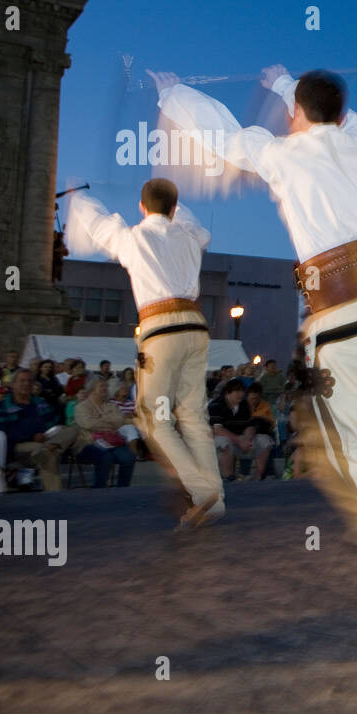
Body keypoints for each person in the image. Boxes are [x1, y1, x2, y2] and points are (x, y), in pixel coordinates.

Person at [154, 64, 357, 612]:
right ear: (341, 113)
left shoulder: (282, 154)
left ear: (296, 113)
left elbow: (222, 136)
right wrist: (286, 86)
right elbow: (342, 119)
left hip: (342, 315)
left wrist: (173, 91)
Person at [66, 180, 226, 528]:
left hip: (161, 330)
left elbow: (100, 225)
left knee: (153, 418)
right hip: (196, 329)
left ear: (142, 208)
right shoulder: (188, 235)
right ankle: (214, 498)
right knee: (194, 416)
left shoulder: (134, 239)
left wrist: (80, 200)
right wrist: (174, 204)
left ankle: (201, 492)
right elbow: (196, 227)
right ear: (174, 208)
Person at [0, 369, 86, 492]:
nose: (26, 384)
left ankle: (50, 447)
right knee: (50, 455)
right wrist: (32, 436)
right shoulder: (3, 406)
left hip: (46, 441)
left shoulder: (41, 402)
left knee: (74, 429)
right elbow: (1, 432)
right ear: (13, 384)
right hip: (19, 446)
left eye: (29, 381)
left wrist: (51, 433)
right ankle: (56, 497)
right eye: (22, 381)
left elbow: (54, 421)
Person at [73, 376, 138, 488]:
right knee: (105, 457)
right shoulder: (81, 407)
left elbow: (120, 420)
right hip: (89, 442)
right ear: (92, 389)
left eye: (106, 386)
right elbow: (88, 424)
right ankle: (100, 488)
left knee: (129, 456)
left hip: (112, 441)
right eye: (102, 386)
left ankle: (123, 488)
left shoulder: (111, 405)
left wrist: (100, 421)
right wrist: (110, 422)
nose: (105, 388)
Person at [209, 379, 273, 481]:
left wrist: (248, 439)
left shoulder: (244, 405)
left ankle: (258, 477)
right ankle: (229, 478)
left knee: (265, 440)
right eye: (237, 391)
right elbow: (217, 430)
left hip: (241, 440)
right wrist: (239, 440)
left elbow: (250, 425)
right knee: (223, 442)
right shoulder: (215, 405)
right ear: (228, 392)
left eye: (242, 391)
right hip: (220, 441)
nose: (241, 394)